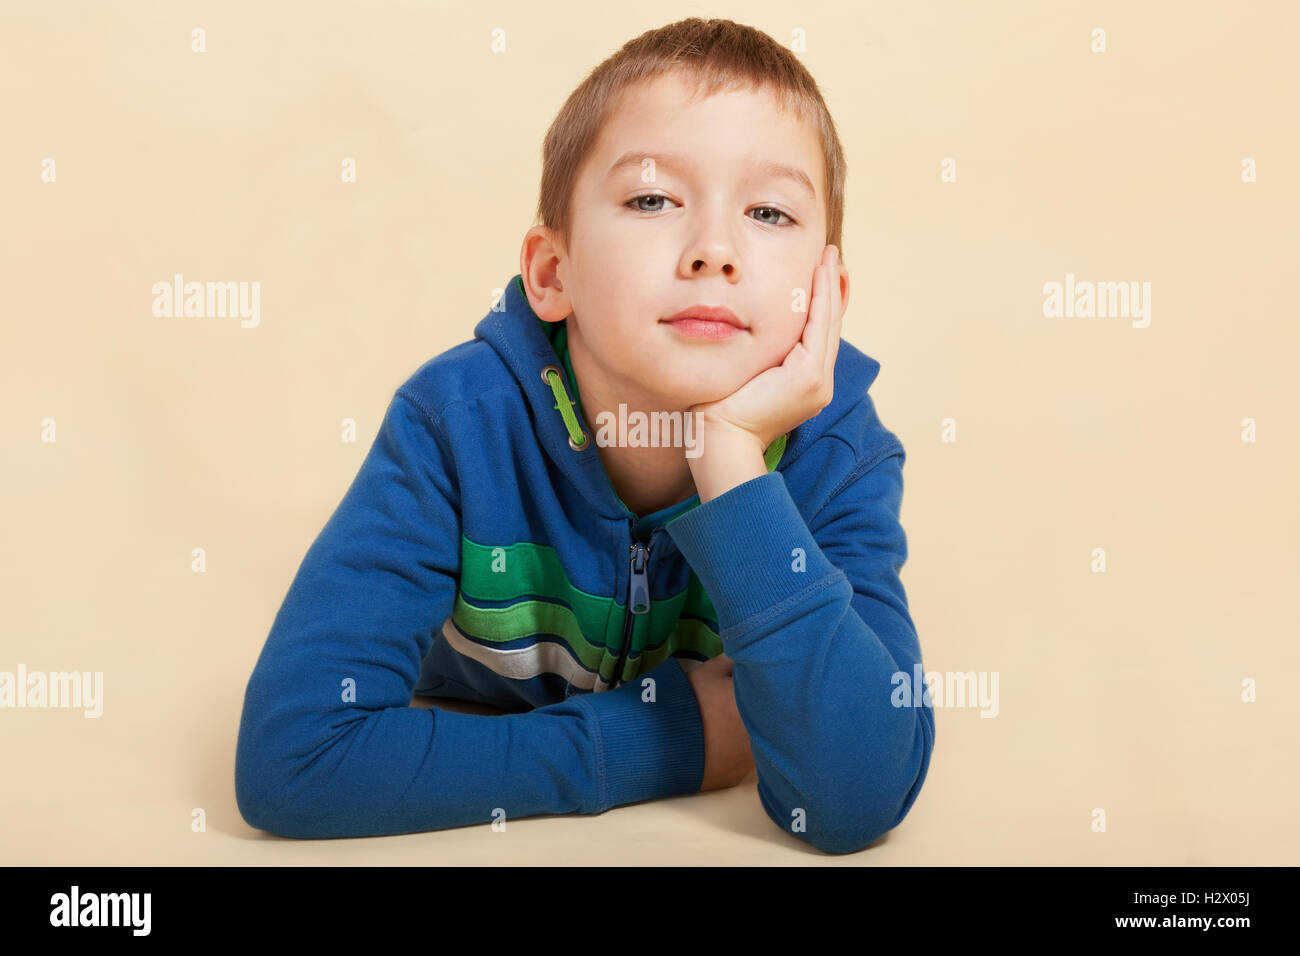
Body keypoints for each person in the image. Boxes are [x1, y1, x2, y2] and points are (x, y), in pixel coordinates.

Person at [235, 17, 934, 855]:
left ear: (828, 294)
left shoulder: (840, 455)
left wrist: (732, 463)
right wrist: (666, 740)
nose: (714, 250)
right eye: (652, 199)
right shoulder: (455, 427)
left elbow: (858, 795)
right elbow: (296, 760)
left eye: (769, 211)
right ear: (551, 273)